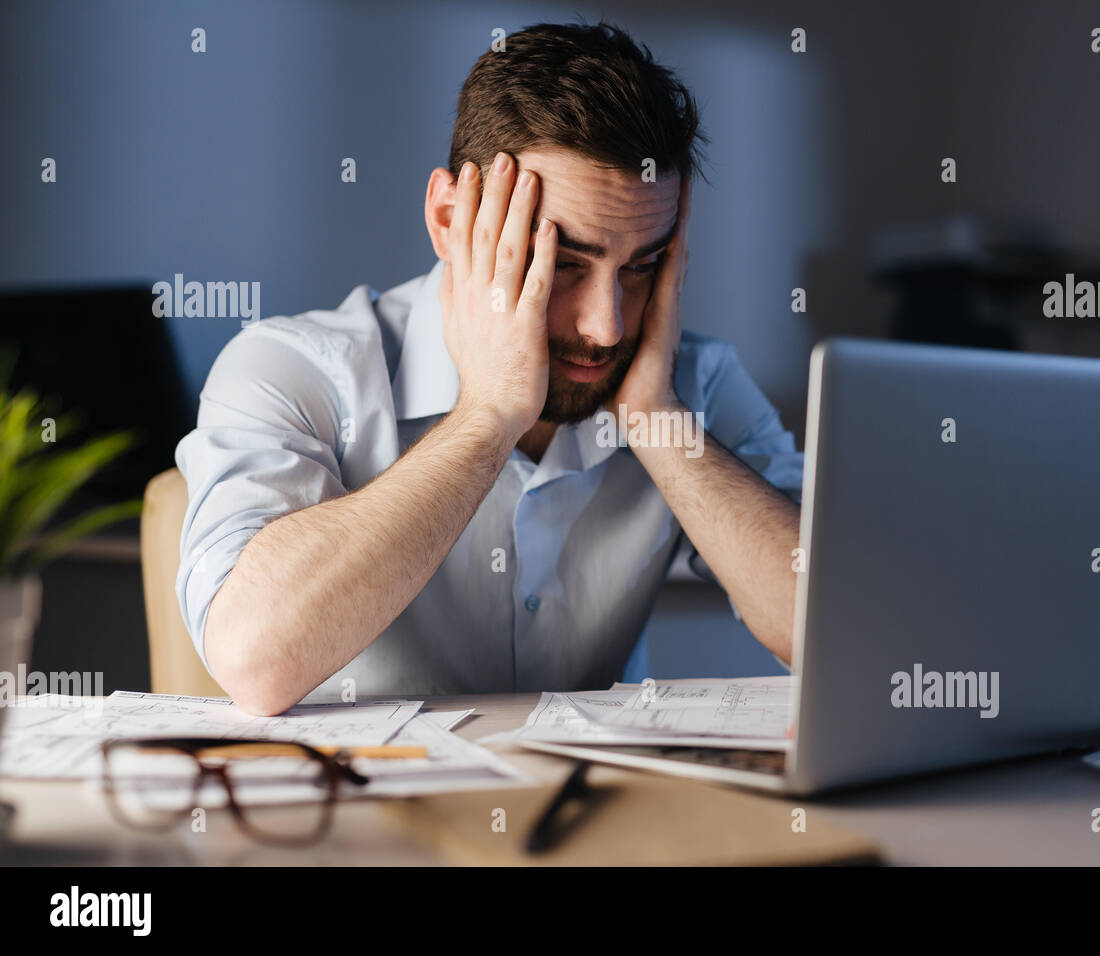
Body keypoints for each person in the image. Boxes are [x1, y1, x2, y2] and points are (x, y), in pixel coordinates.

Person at [176, 22, 803, 715]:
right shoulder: (290, 369)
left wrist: (656, 420)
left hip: (594, 815)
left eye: (641, 267)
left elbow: (833, 632)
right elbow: (255, 660)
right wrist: (486, 416)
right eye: (564, 263)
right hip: (364, 814)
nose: (607, 325)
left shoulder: (692, 385)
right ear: (449, 219)